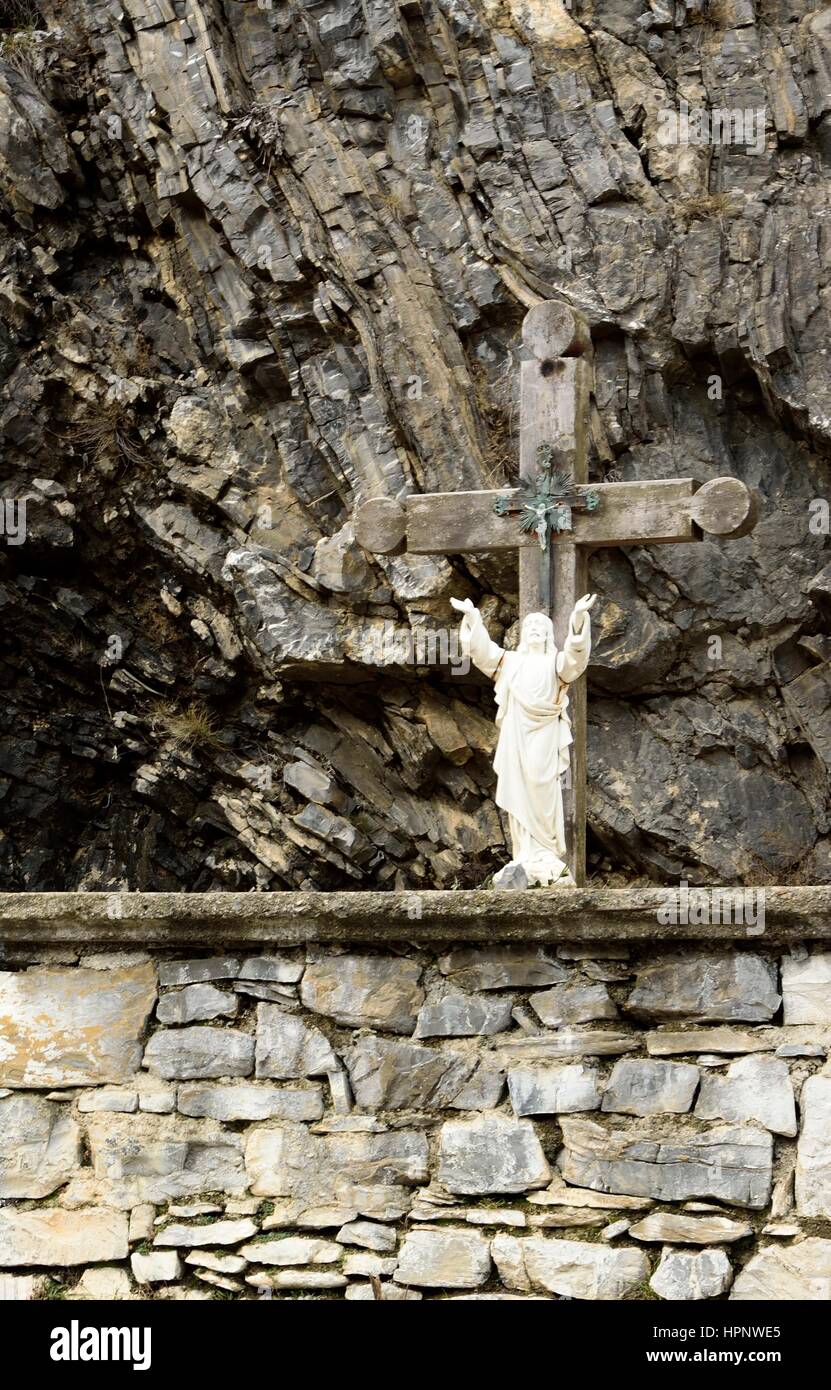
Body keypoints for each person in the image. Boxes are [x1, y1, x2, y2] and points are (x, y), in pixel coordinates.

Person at [450, 594, 596, 886]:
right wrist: (473, 618)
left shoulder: (555, 663)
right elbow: (483, 653)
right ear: (523, 634)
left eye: (541, 629)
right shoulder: (510, 661)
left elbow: (575, 661)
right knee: (518, 787)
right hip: (516, 735)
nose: (535, 632)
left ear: (547, 637)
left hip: (544, 734)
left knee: (542, 789)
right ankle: (524, 854)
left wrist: (578, 620)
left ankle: (546, 852)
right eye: (530, 628)